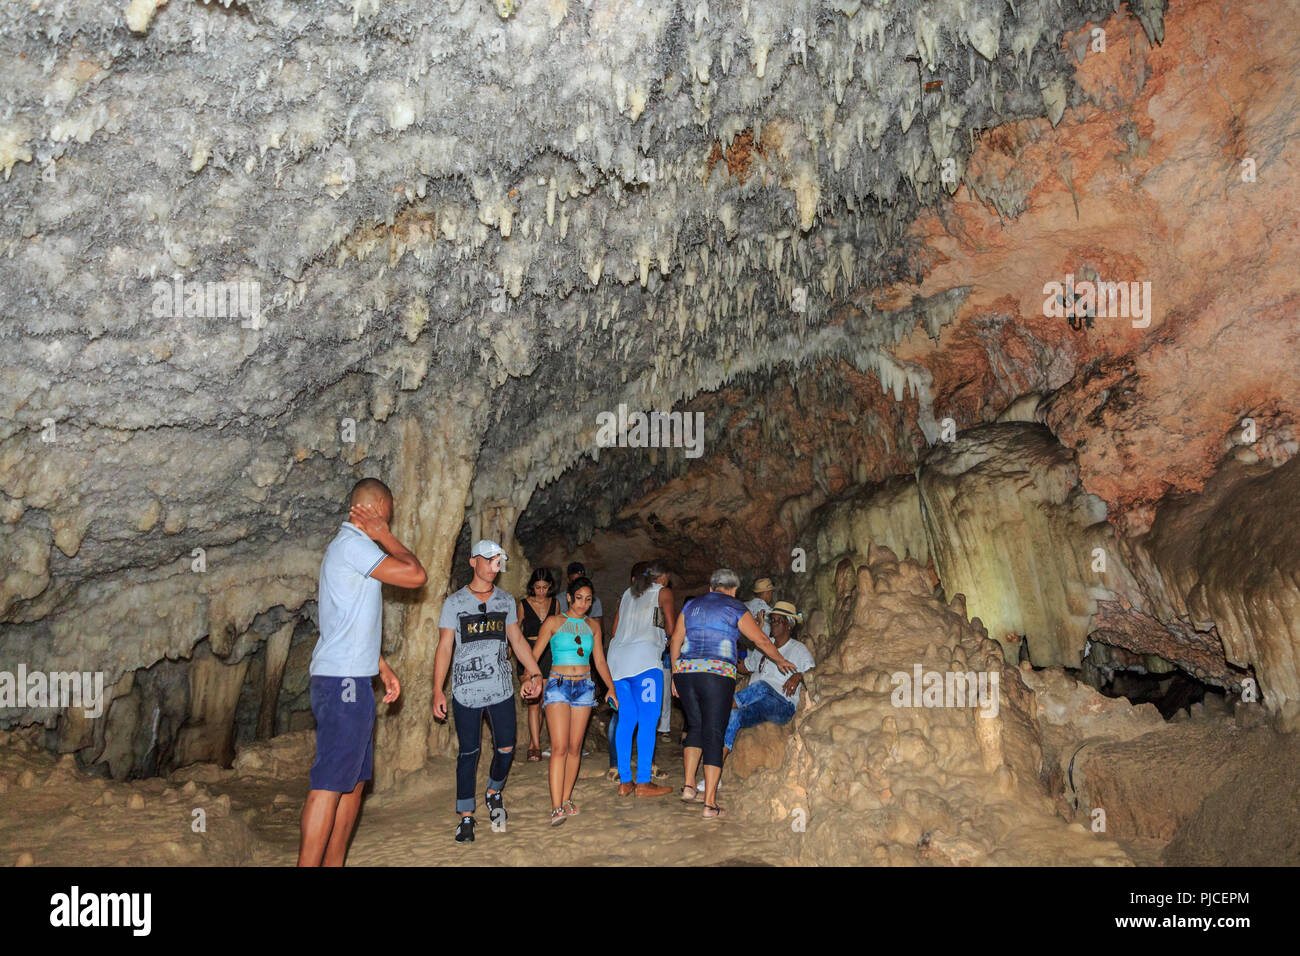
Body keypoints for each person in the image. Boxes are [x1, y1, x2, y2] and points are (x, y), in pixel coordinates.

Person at [299, 478, 427, 867]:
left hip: (351, 678)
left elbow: (347, 622)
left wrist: (381, 666)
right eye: (386, 515)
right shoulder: (354, 545)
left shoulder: (350, 551)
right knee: (330, 783)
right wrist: (385, 535)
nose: (388, 521)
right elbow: (416, 575)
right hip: (342, 685)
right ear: (373, 509)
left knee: (353, 782)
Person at [433, 539, 544, 844]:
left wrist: (534, 670)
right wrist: (437, 690)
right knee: (469, 752)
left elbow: (517, 640)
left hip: (501, 689)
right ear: (473, 561)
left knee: (506, 746)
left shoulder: (506, 601)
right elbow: (445, 647)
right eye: (489, 558)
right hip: (466, 691)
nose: (495, 564)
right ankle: (466, 816)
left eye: (498, 559)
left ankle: (494, 791)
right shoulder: (455, 603)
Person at [670, 568, 794, 818]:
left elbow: (675, 641)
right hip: (716, 673)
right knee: (715, 731)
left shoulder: (690, 606)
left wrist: (674, 673)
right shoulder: (735, 607)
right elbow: (760, 639)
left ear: (711, 586)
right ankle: (709, 804)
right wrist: (780, 659)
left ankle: (688, 786)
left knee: (695, 726)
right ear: (734, 590)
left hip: (686, 672)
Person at [531, 576, 617, 825]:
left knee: (575, 747)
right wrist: (531, 678)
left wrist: (610, 688)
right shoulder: (554, 622)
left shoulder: (593, 626)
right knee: (558, 747)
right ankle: (556, 806)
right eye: (578, 598)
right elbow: (533, 656)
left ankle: (566, 799)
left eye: (588, 600)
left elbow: (599, 661)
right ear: (569, 597)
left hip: (585, 687)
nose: (583, 604)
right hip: (557, 684)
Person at [606, 561, 675, 797]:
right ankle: (644, 782)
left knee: (627, 719)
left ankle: (625, 782)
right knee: (647, 720)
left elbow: (614, 631)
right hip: (645, 662)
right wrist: (663, 640)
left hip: (617, 662)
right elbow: (672, 627)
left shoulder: (627, 593)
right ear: (662, 577)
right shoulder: (663, 592)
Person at [724, 602, 815, 755]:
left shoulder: (799, 649)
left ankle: (721, 708)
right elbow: (746, 666)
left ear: (789, 624)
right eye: (772, 620)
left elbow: (813, 673)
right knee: (735, 715)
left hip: (783, 707)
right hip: (759, 704)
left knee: (761, 686)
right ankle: (717, 767)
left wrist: (799, 676)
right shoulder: (765, 645)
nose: (773, 624)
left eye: (778, 620)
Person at [517, 568, 558, 761]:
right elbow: (516, 630)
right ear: (532, 587)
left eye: (544, 587)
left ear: (550, 587)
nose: (541, 591)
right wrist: (511, 649)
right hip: (528, 652)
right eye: (537, 587)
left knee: (544, 700)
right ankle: (535, 745)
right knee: (533, 701)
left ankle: (542, 740)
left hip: (548, 653)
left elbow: (557, 630)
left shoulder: (555, 604)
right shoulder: (524, 604)